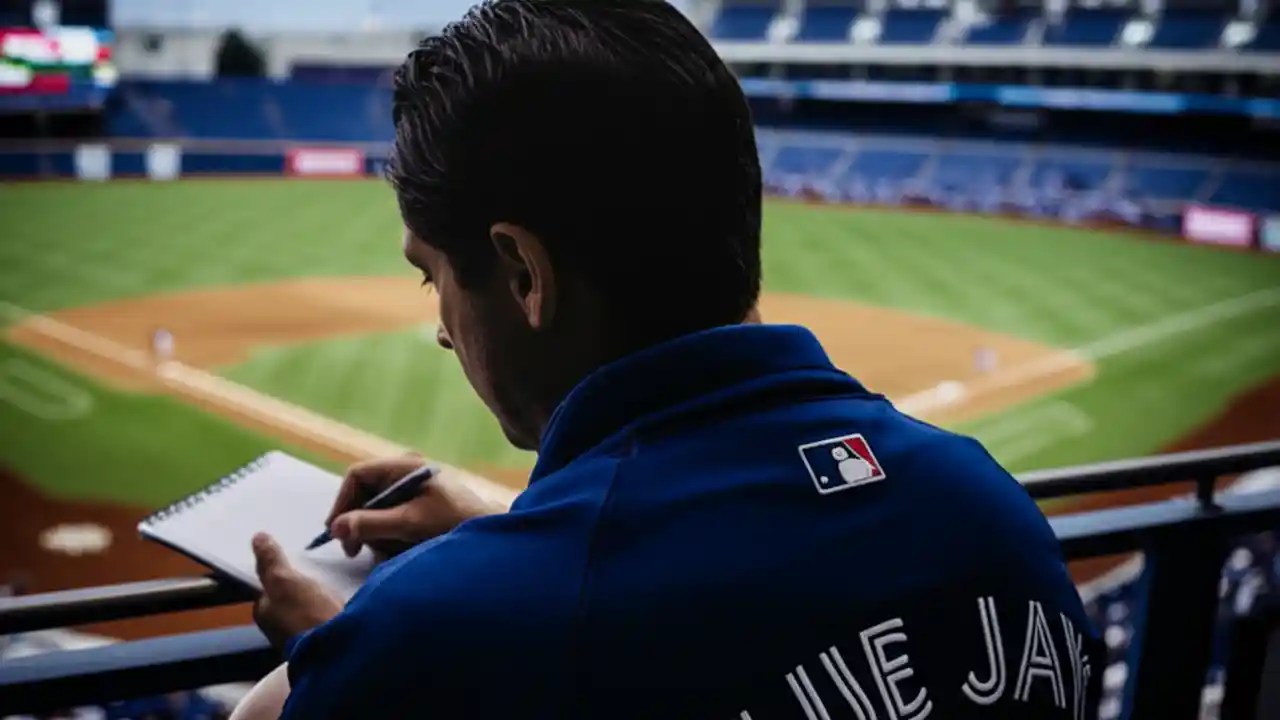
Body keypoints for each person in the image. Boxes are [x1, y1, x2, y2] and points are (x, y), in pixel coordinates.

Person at [243, 1, 1102, 717]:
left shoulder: (434, 634)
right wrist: (511, 532)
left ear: (522, 274)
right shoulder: (990, 509)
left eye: (432, 279)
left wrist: (341, 649)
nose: (441, 327)